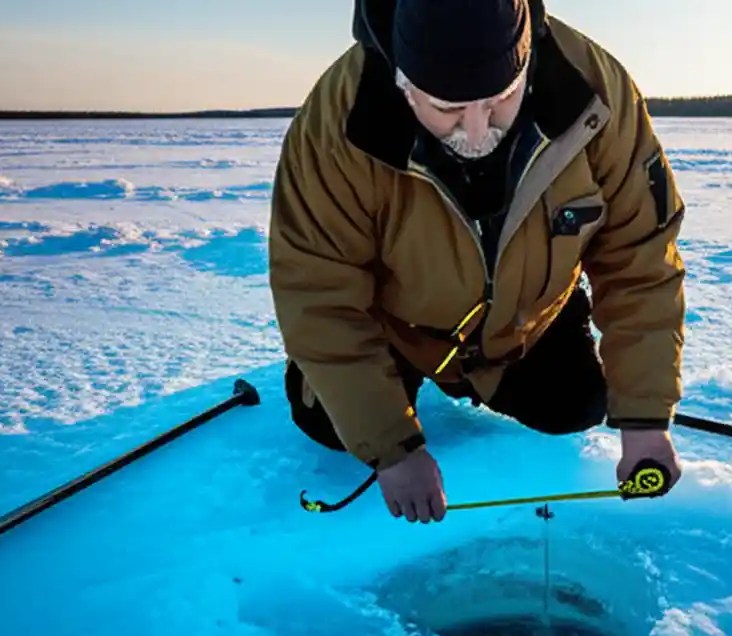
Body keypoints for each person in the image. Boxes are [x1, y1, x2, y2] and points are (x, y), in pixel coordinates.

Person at [268, 0, 687, 524]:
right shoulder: (337, 125)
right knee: (330, 426)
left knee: (575, 405)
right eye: (447, 108)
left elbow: (641, 257)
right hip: (400, 329)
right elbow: (317, 289)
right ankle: (346, 379)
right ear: (402, 81)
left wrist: (647, 416)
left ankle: (508, 360)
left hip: (525, 320)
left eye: (500, 100)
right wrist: (392, 448)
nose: (475, 130)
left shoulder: (593, 92)